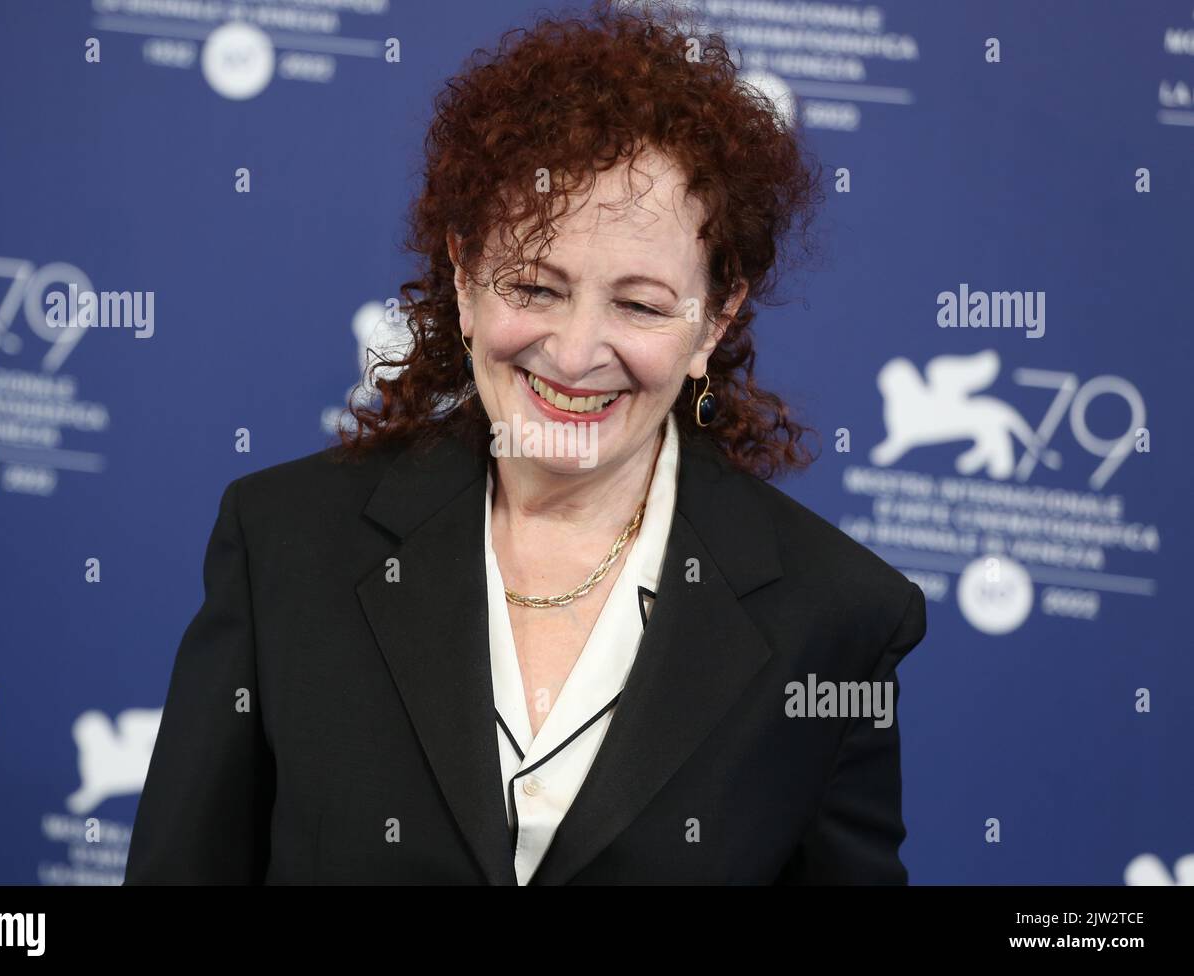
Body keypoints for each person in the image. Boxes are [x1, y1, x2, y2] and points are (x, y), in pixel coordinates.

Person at [124, 0, 927, 886]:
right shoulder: (284, 542)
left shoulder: (837, 617)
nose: (578, 353)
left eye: (641, 304)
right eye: (536, 288)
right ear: (465, 280)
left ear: (714, 319)